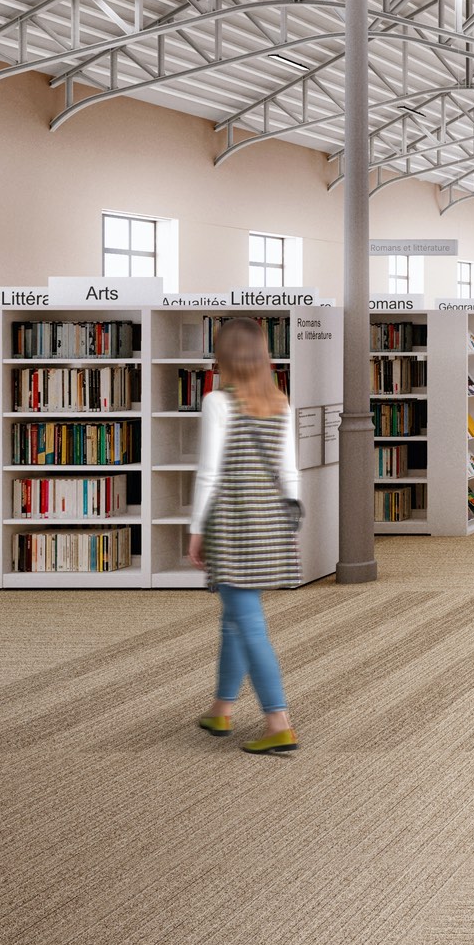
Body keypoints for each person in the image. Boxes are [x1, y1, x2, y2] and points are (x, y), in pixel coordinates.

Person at [187, 317, 302, 756]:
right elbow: (289, 471)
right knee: (235, 617)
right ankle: (221, 709)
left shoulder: (218, 402)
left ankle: (279, 722)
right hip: (272, 518)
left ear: (225, 355)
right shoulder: (279, 402)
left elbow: (210, 473)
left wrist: (197, 528)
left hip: (233, 520)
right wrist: (290, 522)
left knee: (248, 621)